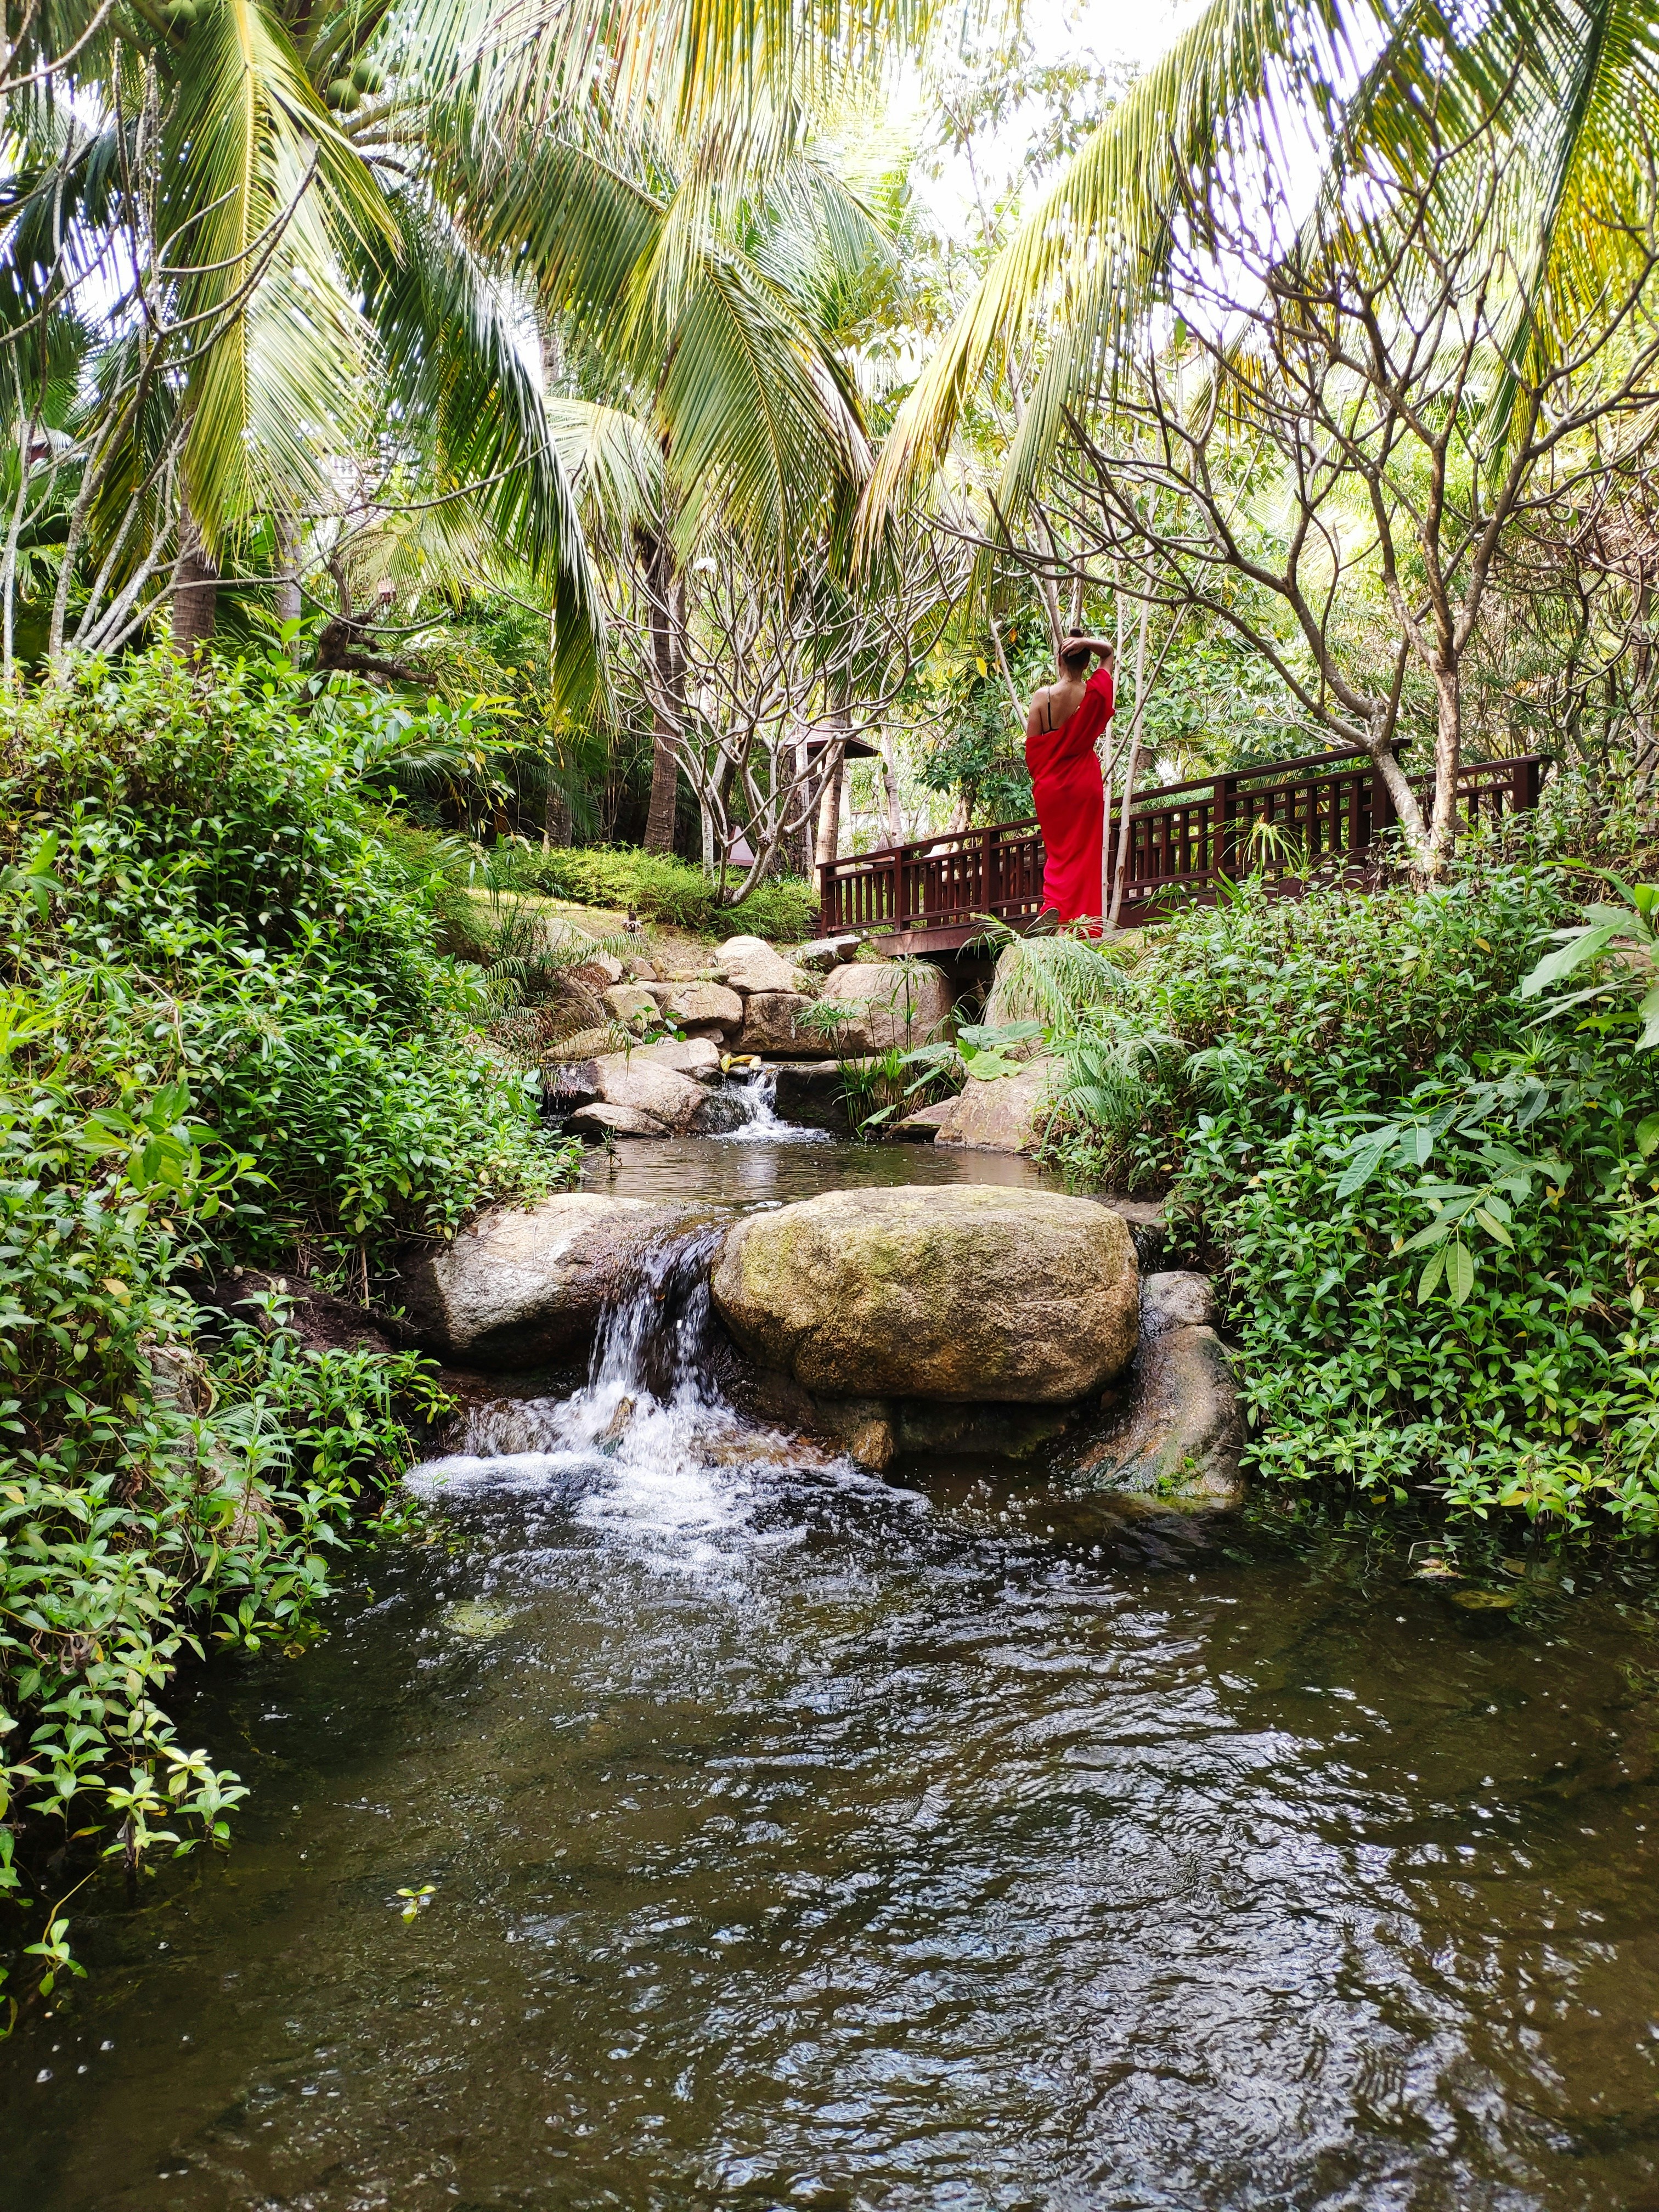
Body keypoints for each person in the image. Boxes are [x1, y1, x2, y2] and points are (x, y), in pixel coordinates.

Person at [1025, 630, 1115, 925]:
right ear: (1087, 662)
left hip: (1052, 788)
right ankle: (1084, 923)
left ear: (1059, 661)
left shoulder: (1043, 697)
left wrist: (1045, 780)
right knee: (1085, 854)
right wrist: (1089, 642)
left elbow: (1033, 750)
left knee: (1058, 853)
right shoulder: (1095, 691)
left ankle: (1053, 907)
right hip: (1084, 784)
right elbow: (1110, 652)